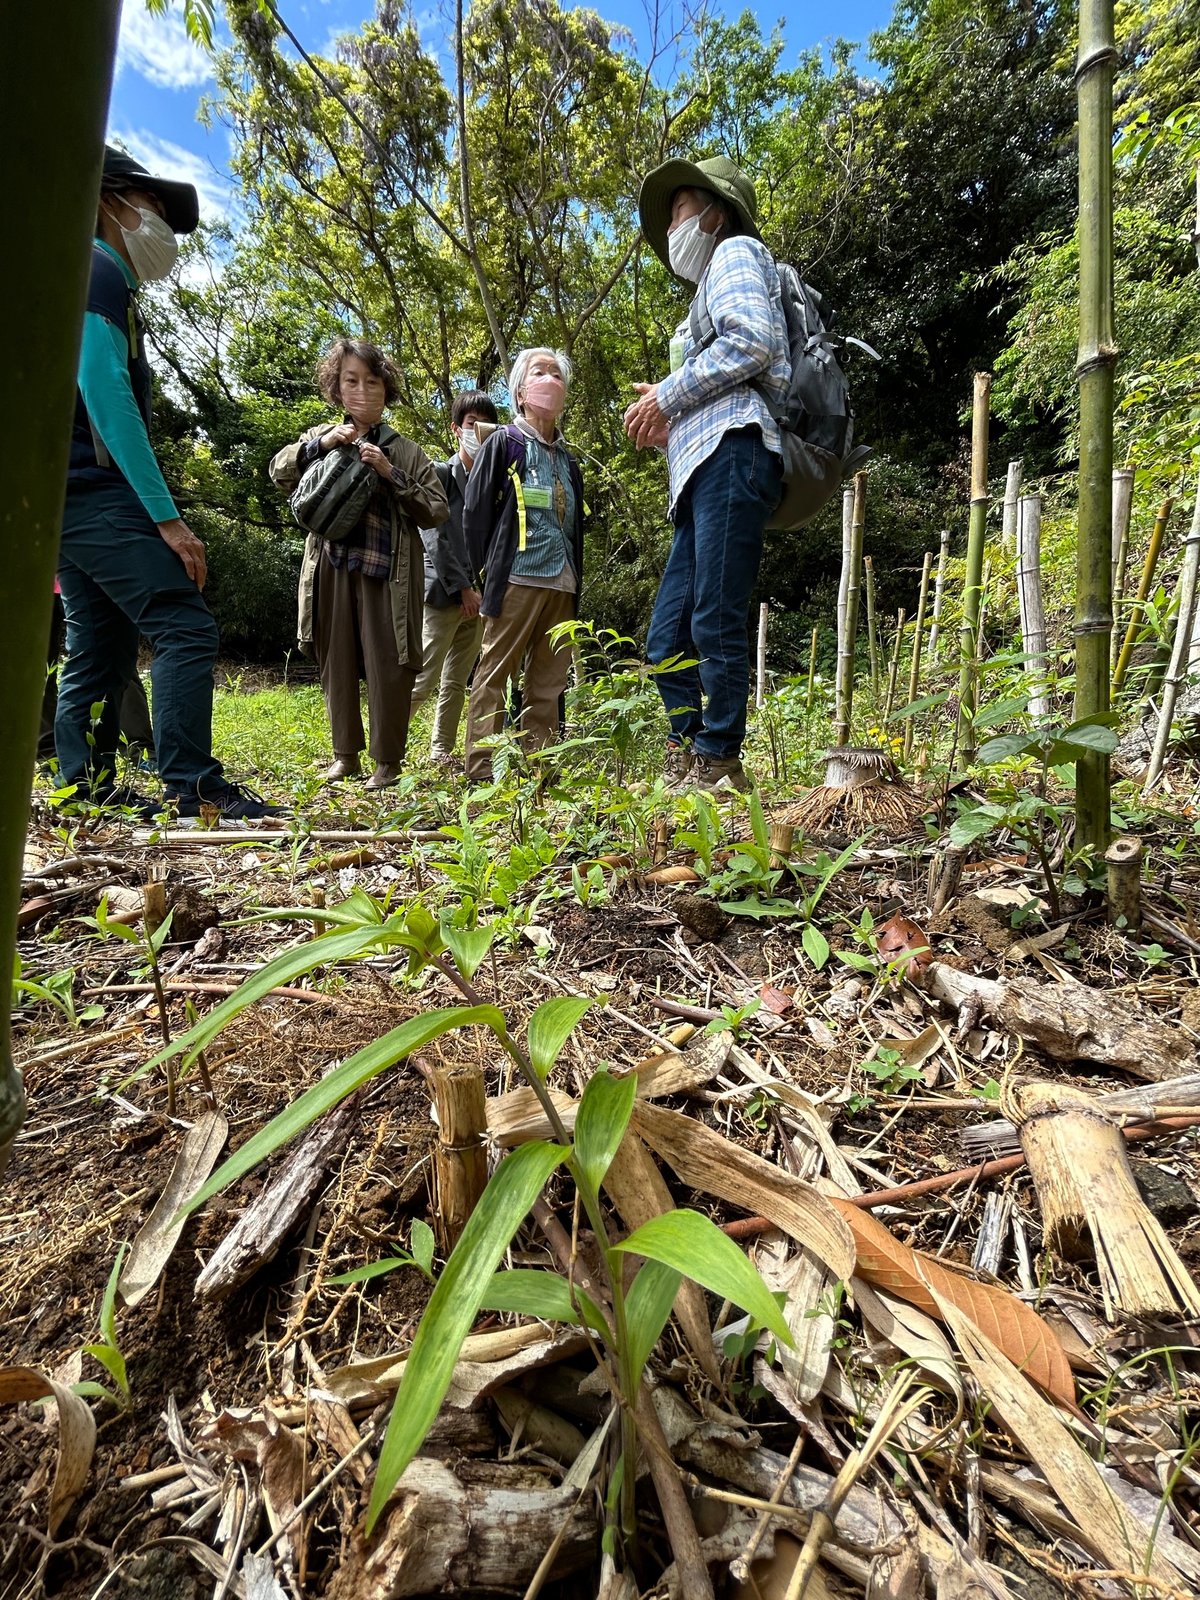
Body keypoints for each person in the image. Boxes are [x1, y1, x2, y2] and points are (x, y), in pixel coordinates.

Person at [57, 145, 284, 819]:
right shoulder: (97, 271)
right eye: (152, 204)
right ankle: (193, 783)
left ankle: (85, 786)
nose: (159, 222)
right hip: (96, 492)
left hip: (69, 500)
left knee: (98, 643)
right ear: (111, 201)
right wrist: (166, 517)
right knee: (184, 623)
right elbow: (104, 393)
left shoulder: (99, 283)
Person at [624, 156, 789, 793]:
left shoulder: (736, 251)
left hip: (735, 451)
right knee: (668, 633)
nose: (673, 229)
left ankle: (720, 761)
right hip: (701, 465)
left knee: (714, 616)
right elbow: (723, 365)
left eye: (681, 210)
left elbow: (751, 344)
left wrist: (668, 395)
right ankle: (688, 751)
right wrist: (671, 405)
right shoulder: (704, 289)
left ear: (716, 212)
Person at [269, 339, 449, 788]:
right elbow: (279, 471)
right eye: (351, 381)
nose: (362, 391)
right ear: (336, 387)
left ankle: (388, 763)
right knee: (337, 659)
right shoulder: (321, 436)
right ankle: (344, 755)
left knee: (390, 664)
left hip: (388, 573)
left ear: (386, 389)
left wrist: (391, 474)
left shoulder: (404, 449)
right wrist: (320, 445)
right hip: (330, 567)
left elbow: (437, 508)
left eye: (372, 382)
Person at [463, 349, 584, 784]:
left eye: (557, 373)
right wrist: (486, 575)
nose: (549, 379)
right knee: (494, 675)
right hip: (516, 578)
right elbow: (475, 516)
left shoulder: (568, 459)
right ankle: (481, 773)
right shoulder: (504, 443)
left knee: (548, 685)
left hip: (563, 583)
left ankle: (540, 770)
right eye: (539, 372)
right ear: (520, 389)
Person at [410, 390, 498, 769]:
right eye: (470, 423)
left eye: (485, 425)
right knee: (423, 677)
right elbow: (434, 535)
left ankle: (440, 751)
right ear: (456, 429)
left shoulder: (491, 482)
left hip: (477, 597)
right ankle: (385, 749)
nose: (477, 432)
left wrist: (480, 590)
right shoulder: (442, 474)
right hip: (443, 593)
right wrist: (463, 587)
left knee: (457, 680)